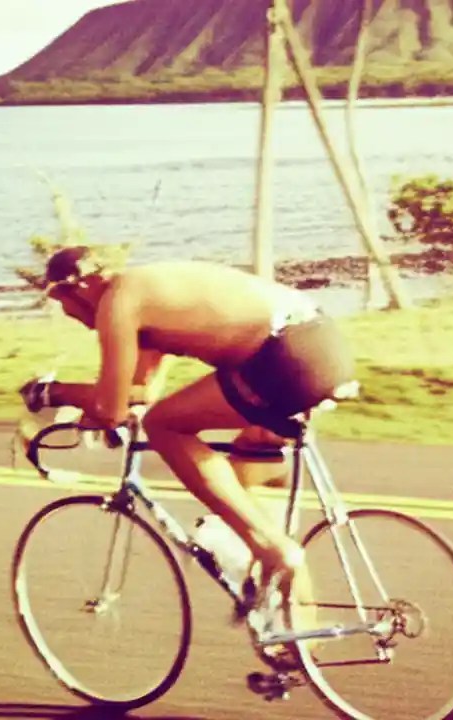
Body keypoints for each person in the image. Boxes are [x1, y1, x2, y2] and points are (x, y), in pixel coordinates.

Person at [21, 245, 356, 613]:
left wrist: (51, 393)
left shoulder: (118, 300)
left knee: (164, 426)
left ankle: (270, 549)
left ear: (81, 287)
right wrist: (93, 406)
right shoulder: (146, 291)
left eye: (61, 302)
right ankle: (298, 640)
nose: (67, 314)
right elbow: (141, 391)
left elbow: (112, 409)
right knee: (249, 474)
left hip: (284, 358)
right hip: (319, 342)